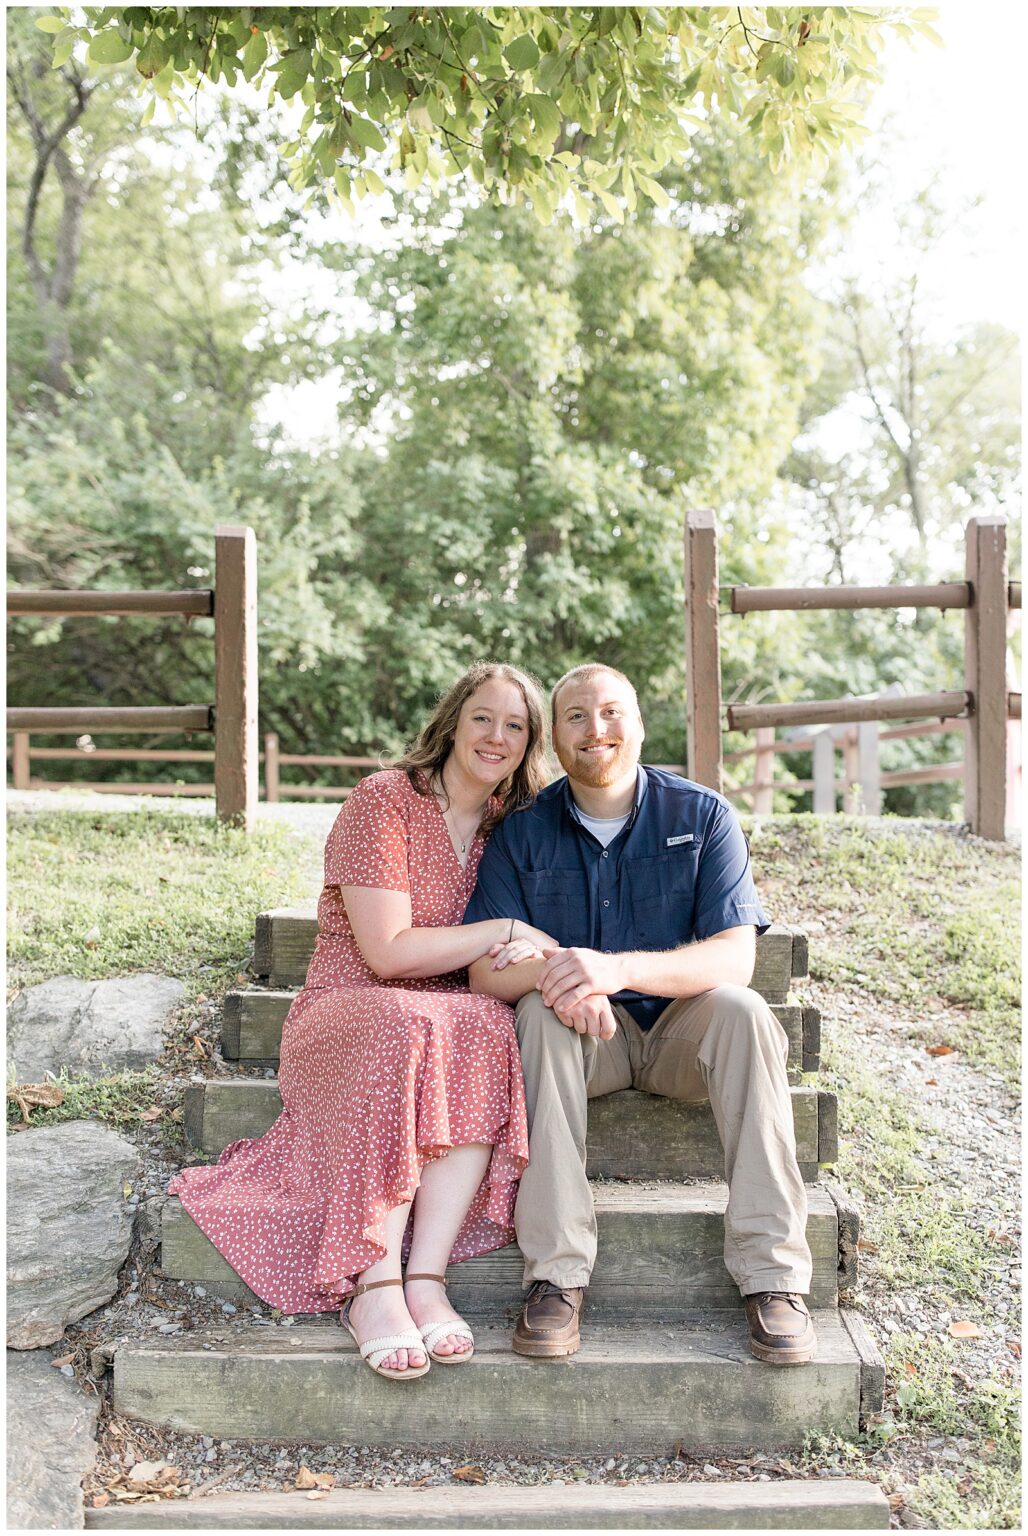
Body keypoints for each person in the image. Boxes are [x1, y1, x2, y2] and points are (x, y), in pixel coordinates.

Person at [170, 662, 553, 1381]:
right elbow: (387, 952)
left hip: (443, 1017)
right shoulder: (385, 801)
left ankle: (425, 1278)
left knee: (483, 1025)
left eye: (515, 725)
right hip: (348, 1011)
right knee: (409, 1025)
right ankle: (372, 1287)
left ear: (529, 743)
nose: (495, 736)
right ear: (451, 721)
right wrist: (502, 925)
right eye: (482, 717)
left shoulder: (514, 825)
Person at [464, 663, 816, 1365]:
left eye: (612, 712)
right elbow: (482, 969)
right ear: (553, 740)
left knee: (745, 1012)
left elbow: (732, 959)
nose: (596, 730)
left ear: (640, 723)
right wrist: (572, 983)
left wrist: (615, 969)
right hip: (587, 1045)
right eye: (576, 717)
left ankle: (774, 1279)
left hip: (686, 1034)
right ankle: (555, 1277)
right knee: (537, 1014)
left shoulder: (702, 815)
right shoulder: (521, 832)